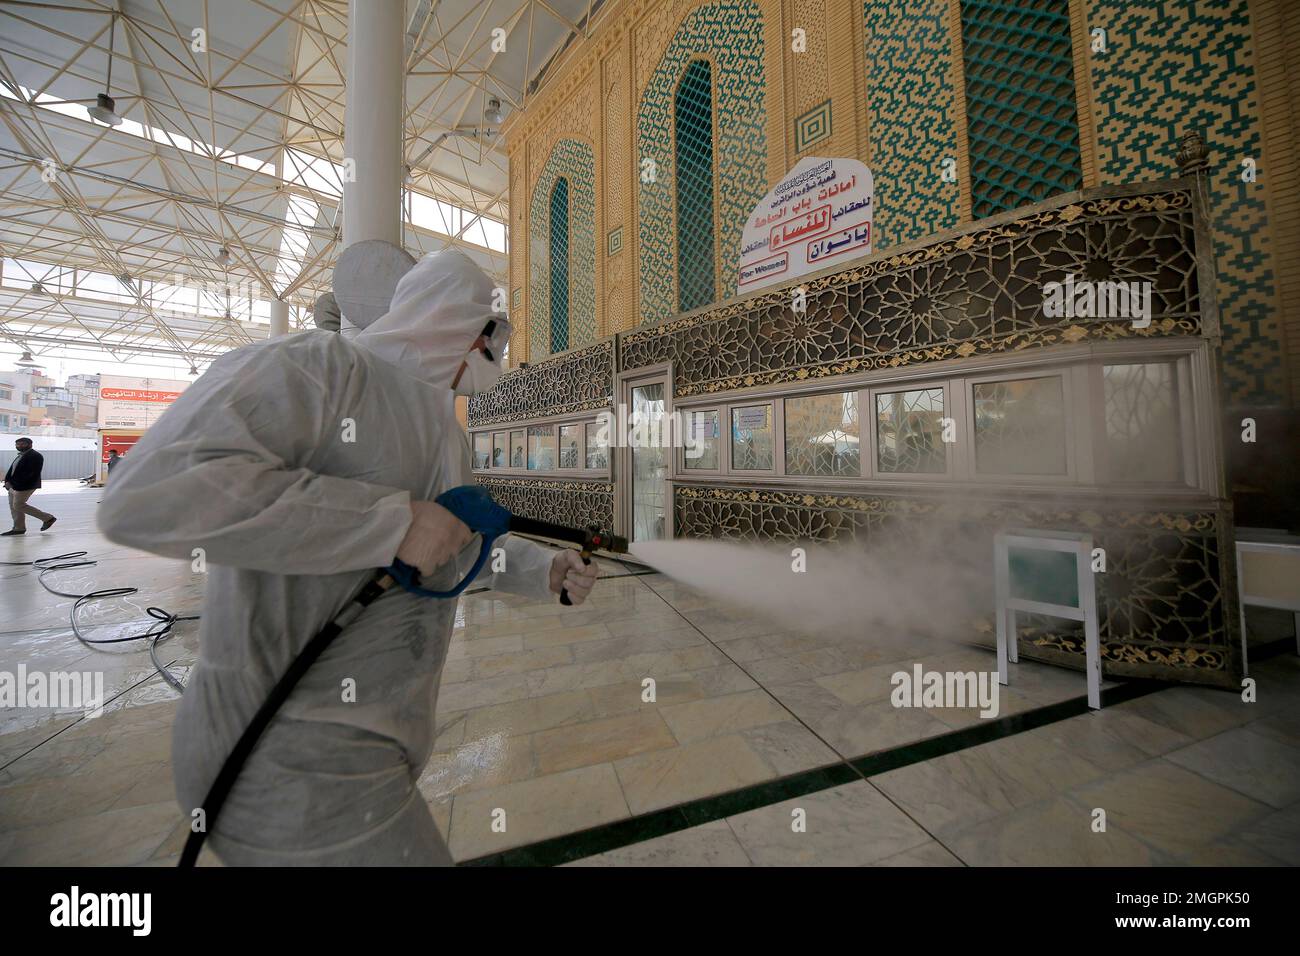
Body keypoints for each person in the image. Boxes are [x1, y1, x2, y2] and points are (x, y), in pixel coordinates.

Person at [98, 250, 599, 865]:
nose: (491, 354)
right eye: (487, 333)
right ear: (454, 323)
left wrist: (543, 570)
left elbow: (446, 547)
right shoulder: (319, 368)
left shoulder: (443, 430)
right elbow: (152, 493)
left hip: (375, 751)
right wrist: (386, 521)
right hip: (281, 759)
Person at [4, 437, 56, 535]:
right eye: (17, 444)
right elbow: (13, 470)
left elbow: (31, 474)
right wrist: (7, 481)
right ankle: (18, 528)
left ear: (30, 444)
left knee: (18, 505)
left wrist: (14, 484)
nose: (19, 446)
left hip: (24, 486)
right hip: (13, 485)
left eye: (22, 444)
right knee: (14, 507)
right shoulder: (21, 455)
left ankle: (48, 518)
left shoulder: (35, 456)